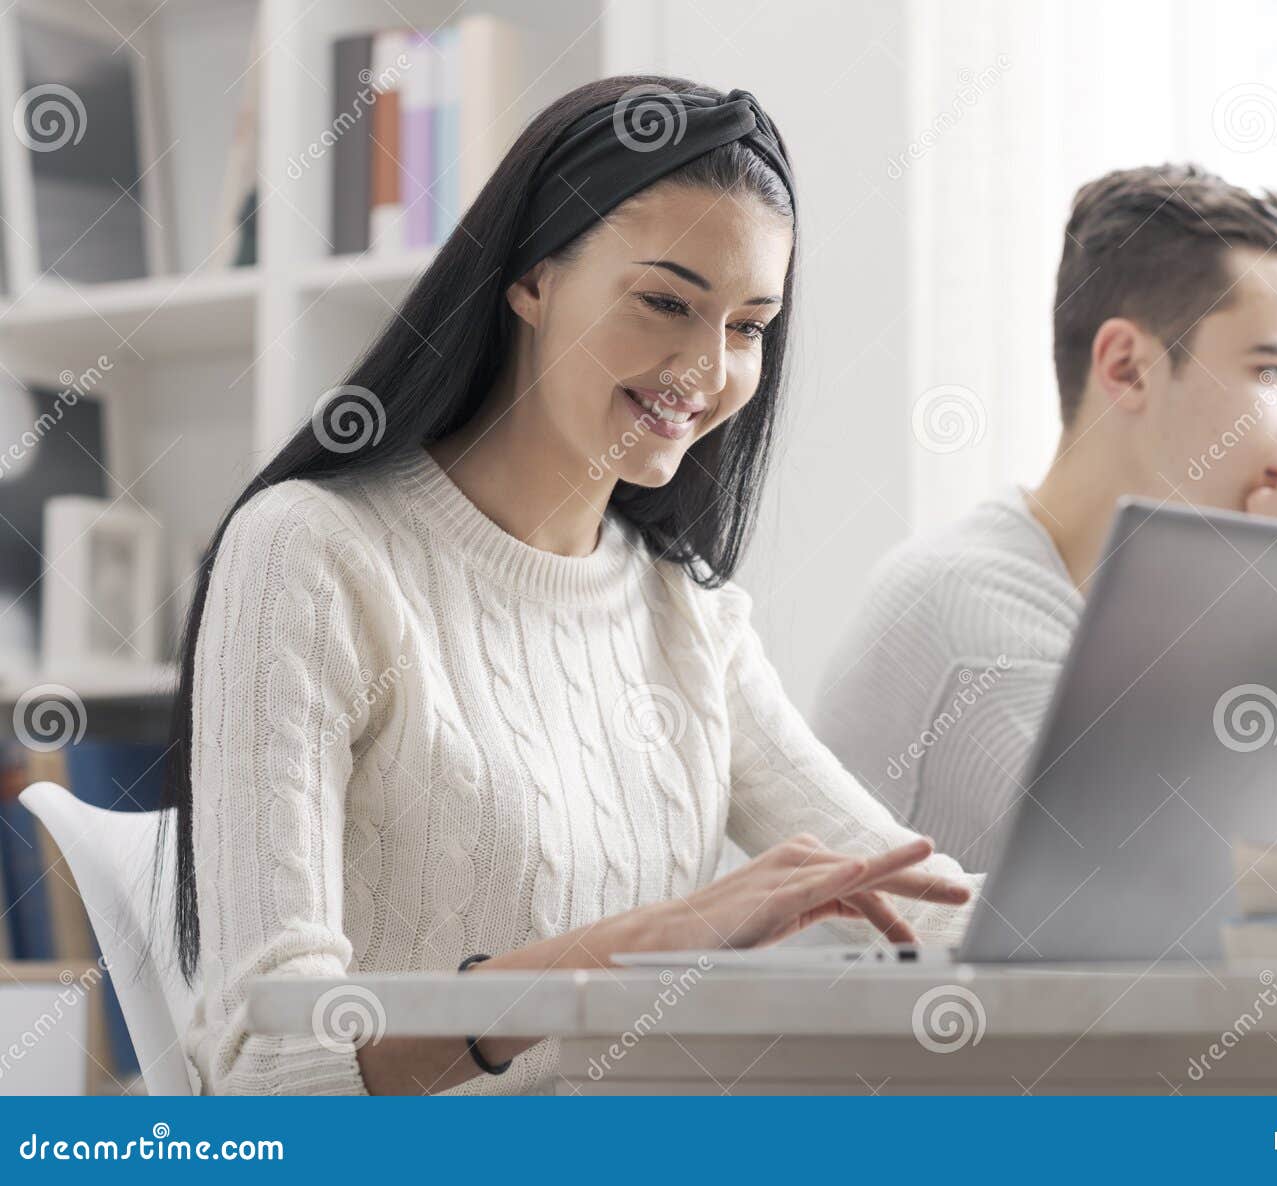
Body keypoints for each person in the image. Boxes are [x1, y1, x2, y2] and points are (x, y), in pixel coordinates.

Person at [158, 76, 975, 1097]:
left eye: (749, 326)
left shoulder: (685, 612)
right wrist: (647, 943)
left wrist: (1211, 903)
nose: (705, 367)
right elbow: (272, 1066)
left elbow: (910, 897)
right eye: (666, 302)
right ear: (531, 279)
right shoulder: (311, 553)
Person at [814, 164, 1277, 873]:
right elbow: (1200, 899)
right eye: (1273, 373)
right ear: (1128, 368)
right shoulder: (968, 612)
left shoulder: (1155, 626)